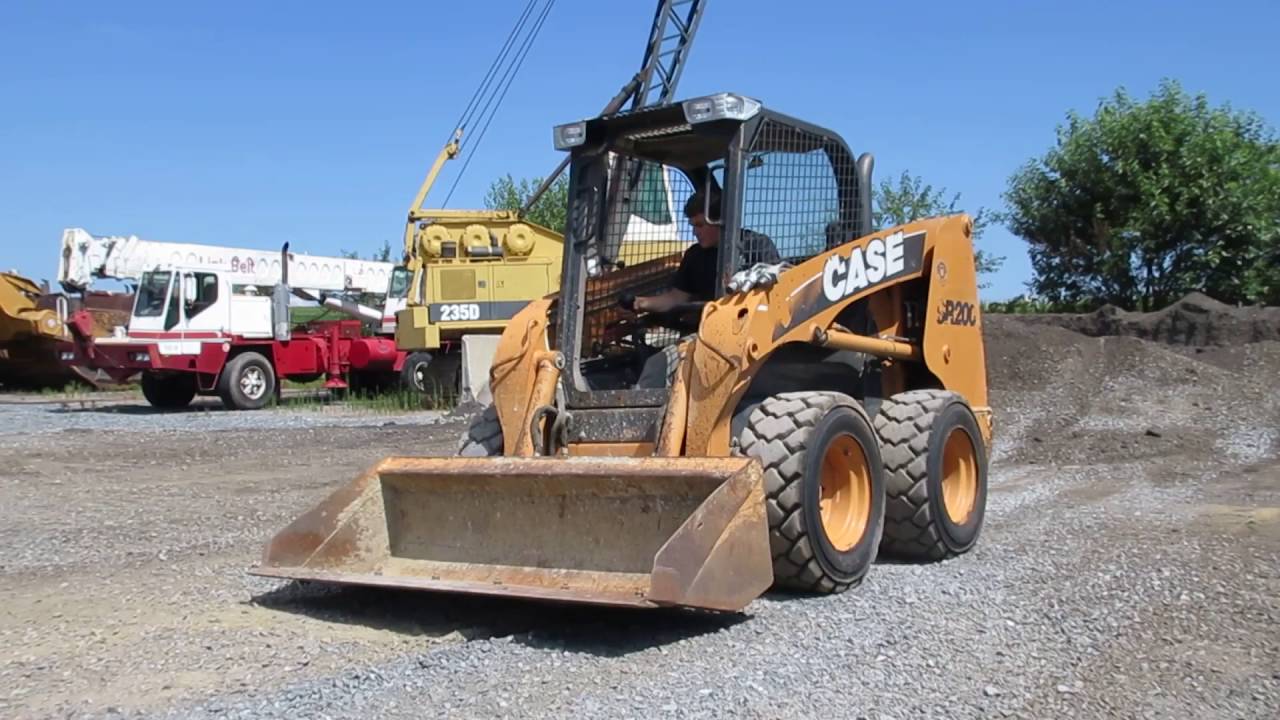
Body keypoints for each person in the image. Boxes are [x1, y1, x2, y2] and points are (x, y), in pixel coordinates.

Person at [625, 187, 779, 388]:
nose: (694, 232)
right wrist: (640, 303)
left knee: (657, 366)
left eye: (699, 225)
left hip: (749, 336)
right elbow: (676, 298)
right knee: (658, 363)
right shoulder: (694, 255)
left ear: (720, 221)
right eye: (692, 225)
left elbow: (773, 294)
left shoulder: (756, 246)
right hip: (707, 335)